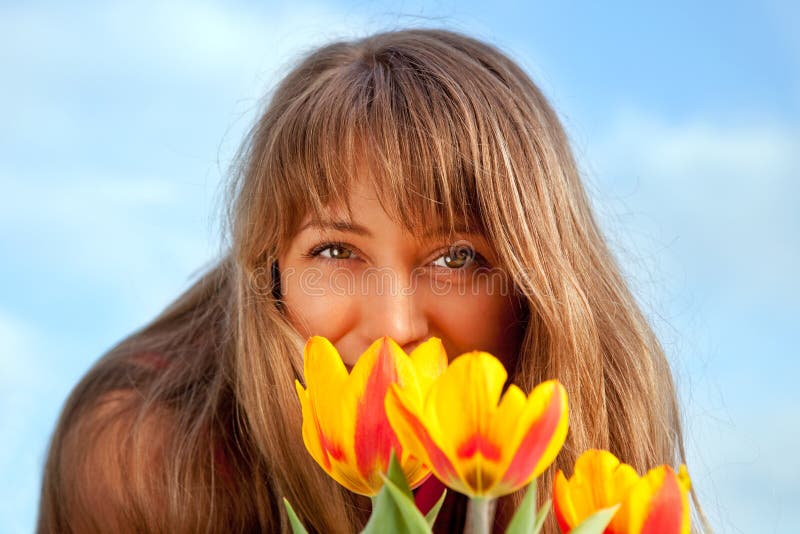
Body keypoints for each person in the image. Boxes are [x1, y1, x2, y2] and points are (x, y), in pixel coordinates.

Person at [37, 28, 699, 533]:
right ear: (271, 270)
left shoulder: (602, 421)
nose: (392, 326)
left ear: (541, 281)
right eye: (334, 252)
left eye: (456, 258)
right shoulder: (149, 450)